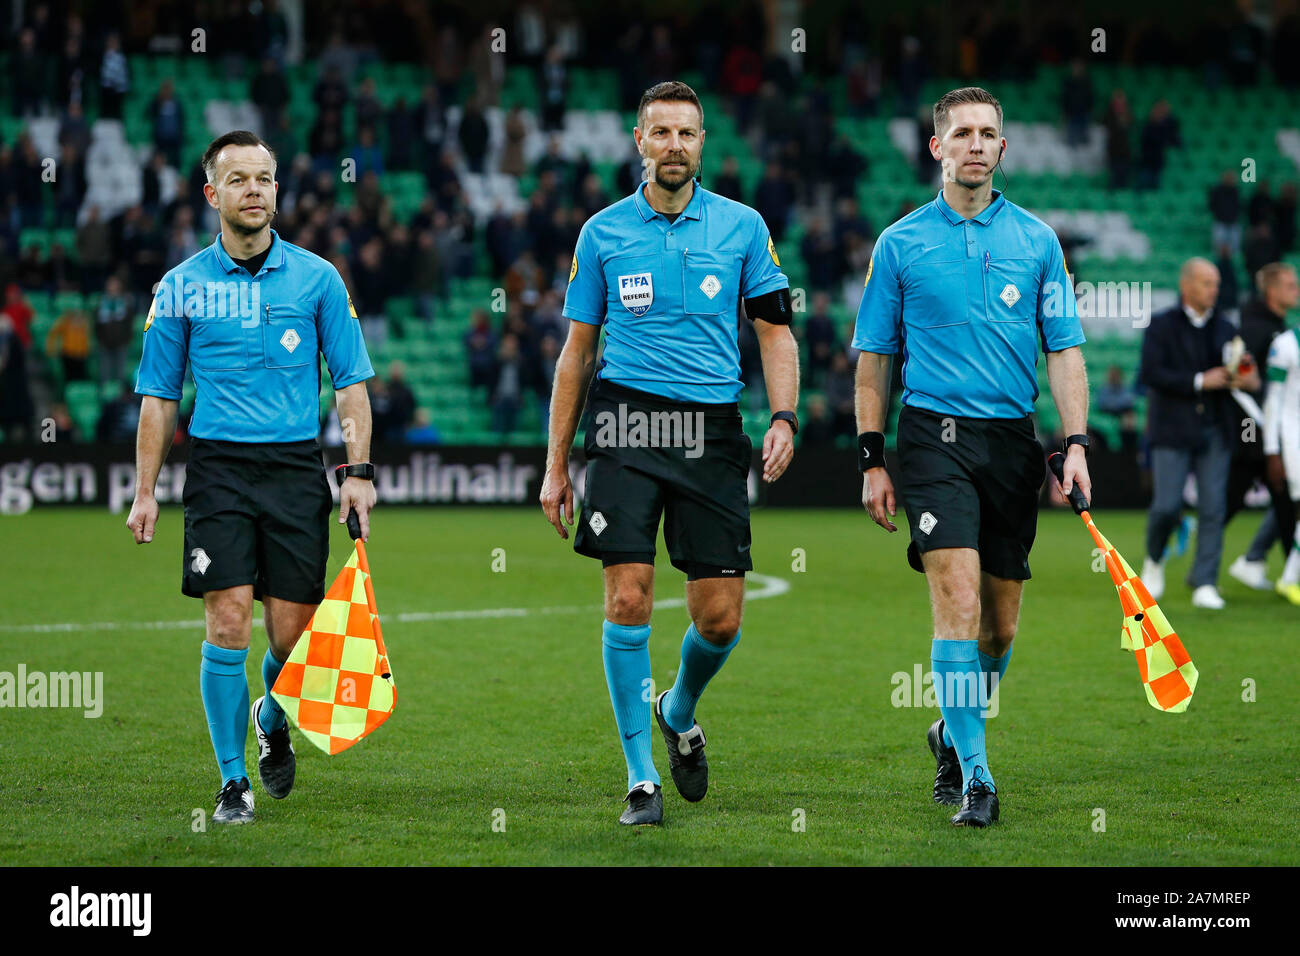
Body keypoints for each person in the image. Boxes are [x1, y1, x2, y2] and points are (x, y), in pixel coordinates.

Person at [540, 81, 798, 826]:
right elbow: (576, 353)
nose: (674, 145)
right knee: (627, 598)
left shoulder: (745, 228)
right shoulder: (603, 233)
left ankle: (677, 709)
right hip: (624, 422)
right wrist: (558, 464)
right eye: (662, 133)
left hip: (712, 429)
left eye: (687, 133)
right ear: (639, 140)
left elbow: (776, 334)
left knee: (719, 619)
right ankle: (640, 779)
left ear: (702, 142)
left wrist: (782, 415)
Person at [855, 87, 1090, 828]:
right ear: (937, 147)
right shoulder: (898, 244)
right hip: (932, 441)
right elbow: (873, 361)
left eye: (989, 133)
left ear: (1003, 149)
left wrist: (1075, 443)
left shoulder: (1037, 241)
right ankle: (978, 777)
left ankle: (950, 731)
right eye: (963, 133)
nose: (977, 144)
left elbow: (1065, 351)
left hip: (1012, 443)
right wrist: (871, 458)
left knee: (1000, 628)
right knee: (956, 604)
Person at [127, 131, 376, 826]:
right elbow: (158, 396)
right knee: (227, 617)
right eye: (239, 180)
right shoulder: (180, 287)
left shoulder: (319, 278)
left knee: (291, 641)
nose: (256, 190)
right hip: (218, 470)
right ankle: (233, 781)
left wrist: (356, 470)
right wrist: (145, 491)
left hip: (296, 469)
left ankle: (272, 713)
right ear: (213, 195)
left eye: (264, 178)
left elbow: (352, 383)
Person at [1138, 258, 1252, 610]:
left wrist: (1242, 372)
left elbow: (1242, 365)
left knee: (1214, 507)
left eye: (1216, 283)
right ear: (1186, 285)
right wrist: (1201, 380)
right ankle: (1154, 561)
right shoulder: (1161, 325)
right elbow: (1151, 374)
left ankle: (1205, 581)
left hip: (1215, 428)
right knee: (1167, 506)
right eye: (1206, 283)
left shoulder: (1226, 326)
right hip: (1172, 428)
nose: (1213, 290)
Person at [1226, 263, 1300, 589]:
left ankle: (1257, 561)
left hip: (1271, 426)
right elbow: (1241, 379)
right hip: (1253, 425)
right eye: (1289, 285)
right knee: (1239, 492)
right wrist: (1258, 429)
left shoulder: (1278, 326)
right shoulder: (1254, 329)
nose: (1296, 289)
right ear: (1271, 290)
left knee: (1283, 498)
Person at [1262, 320, 1300, 604]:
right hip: (1292, 437)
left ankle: (1289, 578)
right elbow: (1273, 401)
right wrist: (1271, 450)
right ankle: (1288, 579)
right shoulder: (1286, 344)